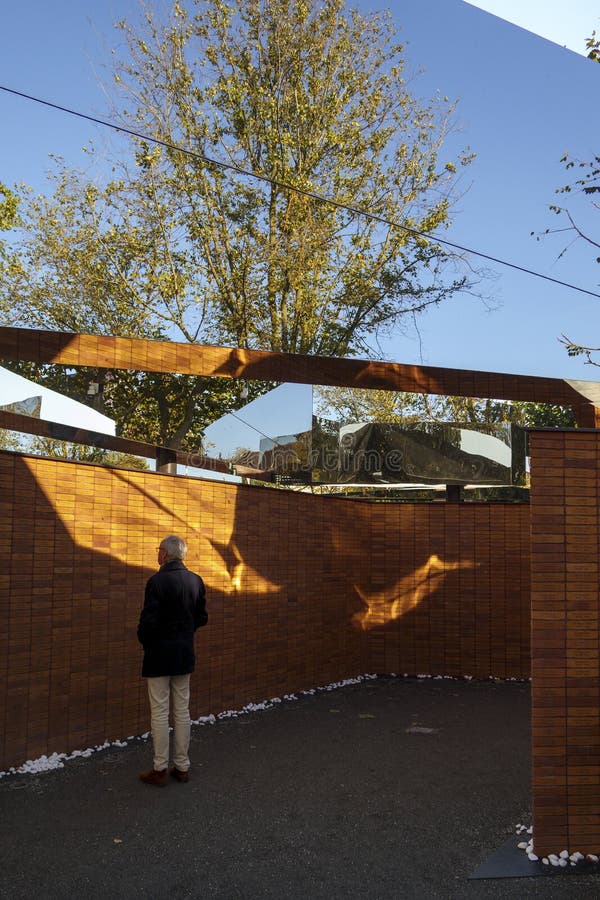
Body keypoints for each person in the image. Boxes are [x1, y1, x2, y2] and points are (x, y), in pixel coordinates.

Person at [137, 534, 208, 786]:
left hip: (158, 655)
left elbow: (148, 622)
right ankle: (182, 766)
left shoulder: (156, 582)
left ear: (165, 554)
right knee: (182, 711)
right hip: (184, 653)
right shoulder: (196, 581)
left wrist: (145, 641)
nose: (157, 553)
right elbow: (202, 617)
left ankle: (160, 769)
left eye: (158, 550)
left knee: (159, 713)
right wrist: (185, 633)